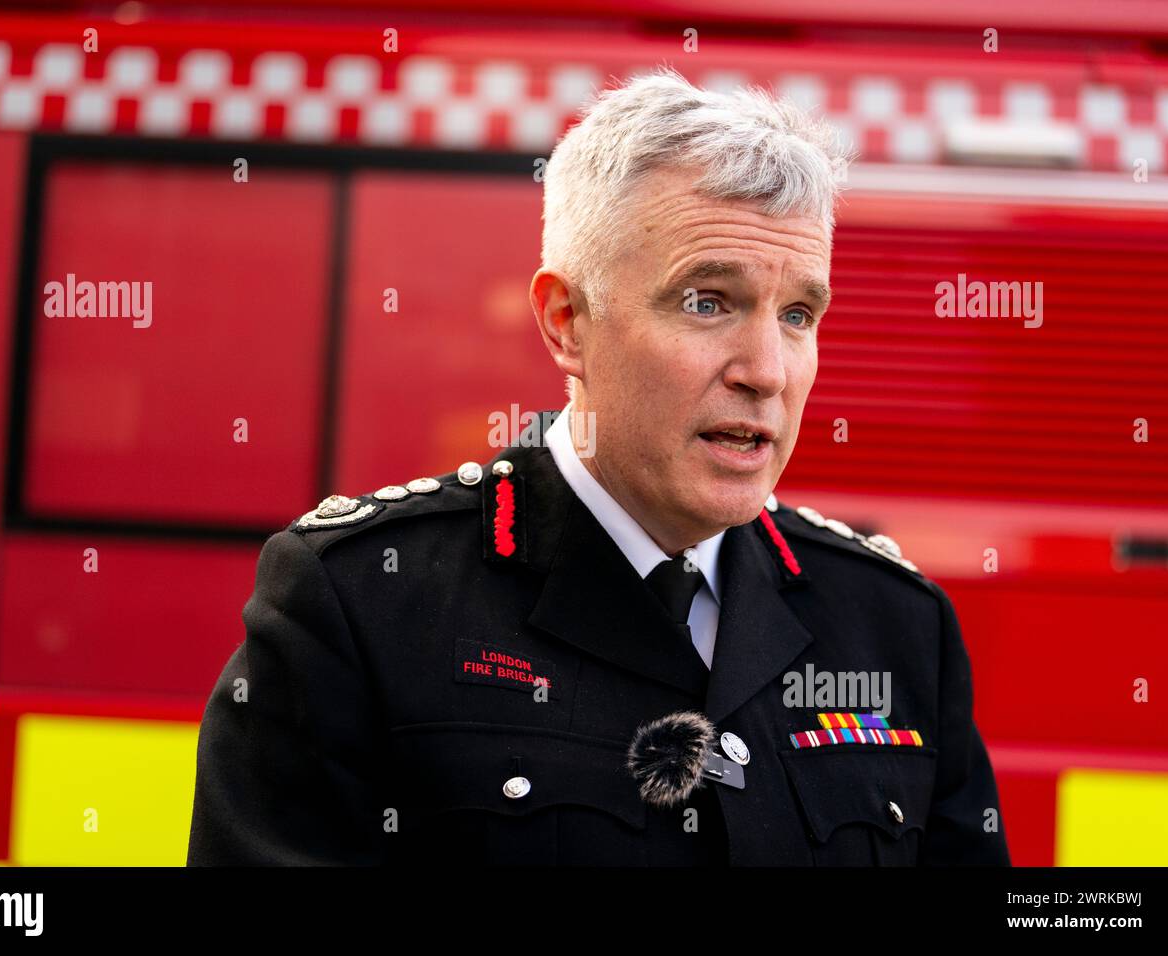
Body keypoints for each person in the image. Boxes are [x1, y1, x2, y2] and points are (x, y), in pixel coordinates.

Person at [186, 65, 1010, 866]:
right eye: (707, 301)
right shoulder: (364, 604)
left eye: (799, 314)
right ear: (565, 321)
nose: (767, 370)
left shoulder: (898, 628)